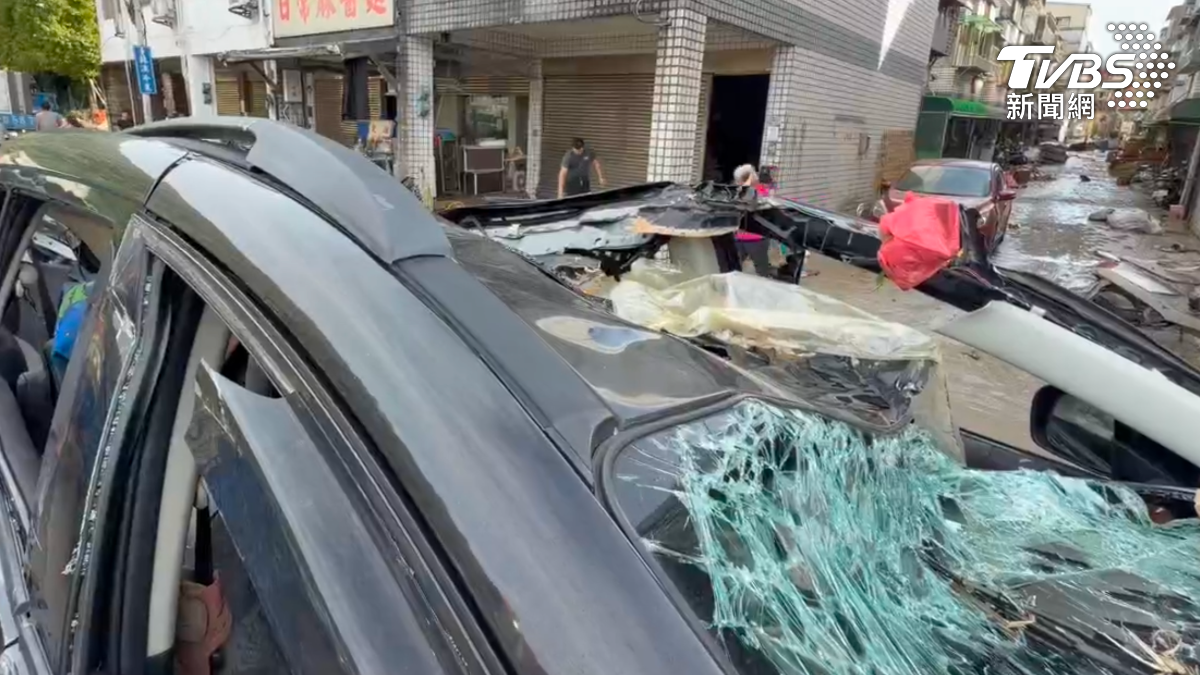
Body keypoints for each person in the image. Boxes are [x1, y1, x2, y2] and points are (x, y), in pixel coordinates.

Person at [732, 164, 771, 276]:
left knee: (734, 270)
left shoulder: (735, 193)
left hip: (739, 237)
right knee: (762, 271)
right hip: (757, 238)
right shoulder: (760, 192)